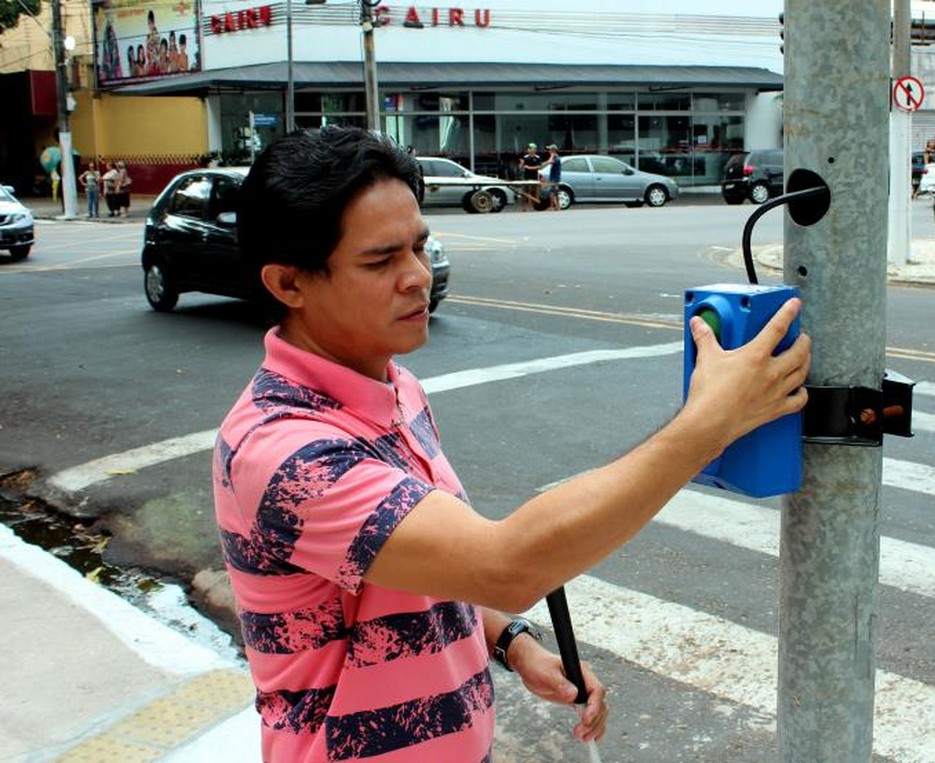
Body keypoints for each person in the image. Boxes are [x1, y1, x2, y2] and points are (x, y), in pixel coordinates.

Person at [216, 126, 811, 762]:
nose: (418, 277)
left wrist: (513, 645)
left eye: (419, 246)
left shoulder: (396, 387)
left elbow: (422, 572)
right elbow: (506, 565)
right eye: (379, 261)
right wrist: (709, 424)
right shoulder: (285, 452)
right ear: (289, 284)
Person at [519, 142, 542, 210]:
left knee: (535, 191)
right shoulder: (525, 157)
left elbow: (539, 166)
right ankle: (523, 207)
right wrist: (521, 164)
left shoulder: (538, 157)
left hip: (535, 177)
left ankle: (535, 205)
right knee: (524, 192)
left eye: (530, 148)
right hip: (526, 177)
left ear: (534, 149)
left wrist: (530, 167)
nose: (528, 150)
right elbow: (521, 167)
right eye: (528, 148)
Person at [542, 144, 563, 211]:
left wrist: (551, 155)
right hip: (554, 177)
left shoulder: (556, 158)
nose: (548, 151)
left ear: (553, 150)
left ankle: (552, 206)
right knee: (555, 192)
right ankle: (557, 206)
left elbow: (549, 162)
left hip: (555, 178)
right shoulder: (555, 157)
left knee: (552, 192)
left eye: (550, 150)